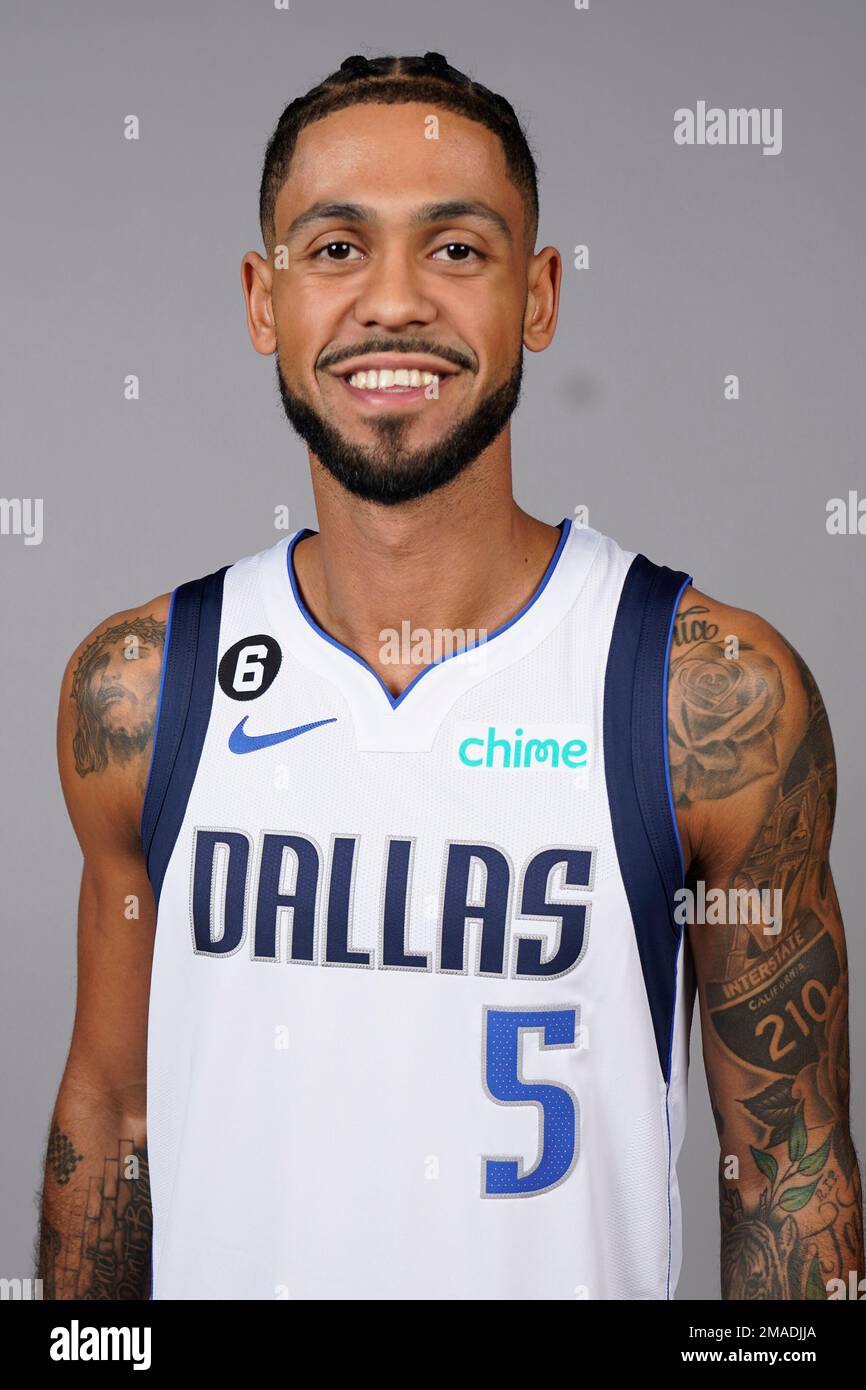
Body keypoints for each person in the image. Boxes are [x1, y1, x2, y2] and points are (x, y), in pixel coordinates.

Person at [37, 51, 862, 1300]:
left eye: (457, 250)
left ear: (538, 297)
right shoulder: (144, 690)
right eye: (334, 250)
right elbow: (108, 1120)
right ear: (263, 301)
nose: (393, 304)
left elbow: (788, 1167)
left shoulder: (707, 697)